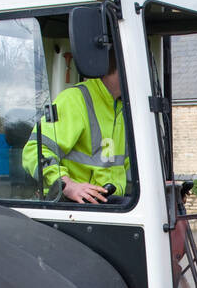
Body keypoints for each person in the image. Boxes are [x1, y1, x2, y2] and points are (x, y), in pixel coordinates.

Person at [22, 55, 128, 203]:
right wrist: (67, 185)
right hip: (72, 206)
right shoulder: (75, 100)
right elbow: (35, 151)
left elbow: (126, 165)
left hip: (110, 205)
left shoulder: (123, 109)